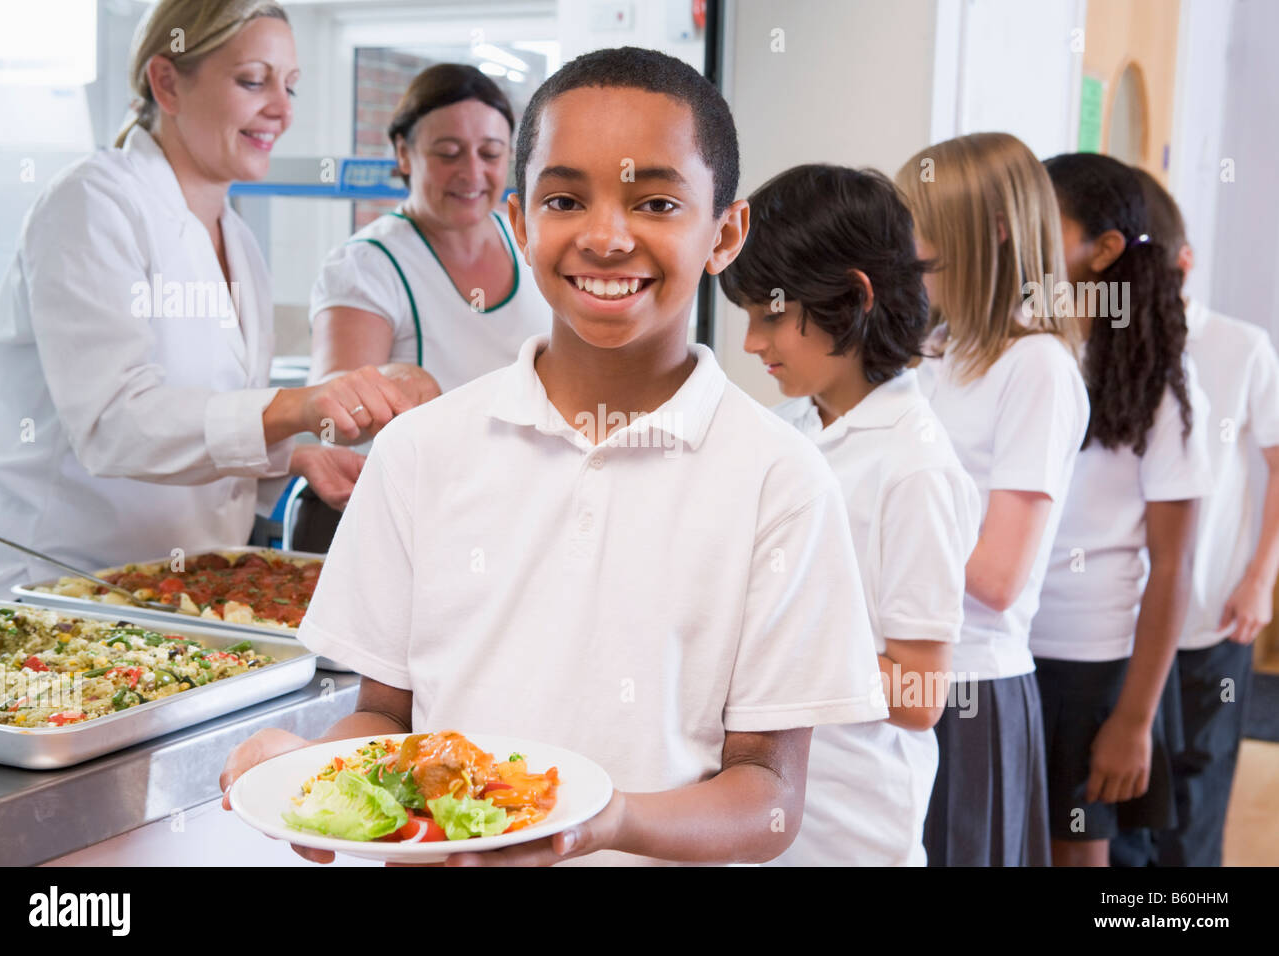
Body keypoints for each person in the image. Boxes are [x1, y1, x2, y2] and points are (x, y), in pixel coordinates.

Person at [220, 46, 887, 866]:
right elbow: (384, 720)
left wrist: (606, 825)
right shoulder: (422, 452)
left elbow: (771, 803)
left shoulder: (780, 482)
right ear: (522, 220)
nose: (606, 238)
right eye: (567, 198)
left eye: (656, 202)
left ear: (726, 232)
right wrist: (316, 776)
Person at [0, 0, 421, 594]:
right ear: (167, 82)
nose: (280, 110)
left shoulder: (237, 240)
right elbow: (114, 422)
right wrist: (298, 406)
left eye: (289, 87)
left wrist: (289, 456)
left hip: (188, 593)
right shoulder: (90, 203)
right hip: (64, 593)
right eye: (252, 81)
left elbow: (202, 422)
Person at [722, 164, 980, 865]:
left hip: (851, 829)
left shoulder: (914, 468)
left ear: (855, 298)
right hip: (761, 809)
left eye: (770, 315)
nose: (752, 343)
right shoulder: (786, 427)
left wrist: (768, 644)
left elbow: (922, 691)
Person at [896, 132, 1090, 866]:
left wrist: (872, 534)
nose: (910, 250)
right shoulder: (938, 352)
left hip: (973, 685)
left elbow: (1000, 580)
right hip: (904, 667)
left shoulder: (1036, 367)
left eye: (924, 229)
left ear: (993, 233)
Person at [1032, 153, 1212, 867]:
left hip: (1091, 665)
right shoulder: (1018, 344)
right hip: (1000, 651)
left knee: (1078, 853)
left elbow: (1174, 564)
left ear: (1103, 249)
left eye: (1046, 226)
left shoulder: (1157, 378)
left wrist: (1135, 718)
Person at [293, 64, 552, 550]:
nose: (472, 173)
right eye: (448, 153)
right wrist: (390, 384)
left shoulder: (530, 243)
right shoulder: (366, 267)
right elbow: (329, 420)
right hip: (401, 525)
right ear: (403, 154)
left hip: (514, 515)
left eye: (491, 153)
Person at [1111, 168, 1279, 867]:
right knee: (1122, 821)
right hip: (1118, 624)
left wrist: (1260, 577)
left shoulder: (1241, 347)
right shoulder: (1106, 344)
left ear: (1185, 261)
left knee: (1194, 810)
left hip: (1211, 617)